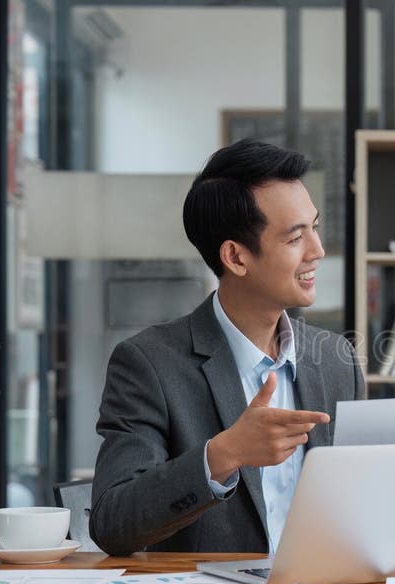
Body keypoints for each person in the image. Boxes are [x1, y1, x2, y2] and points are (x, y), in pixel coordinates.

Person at [90, 140, 364, 556]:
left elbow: (362, 502)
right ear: (236, 257)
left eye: (316, 227)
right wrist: (224, 453)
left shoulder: (336, 360)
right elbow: (113, 523)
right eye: (295, 238)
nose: (318, 251)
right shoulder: (149, 363)